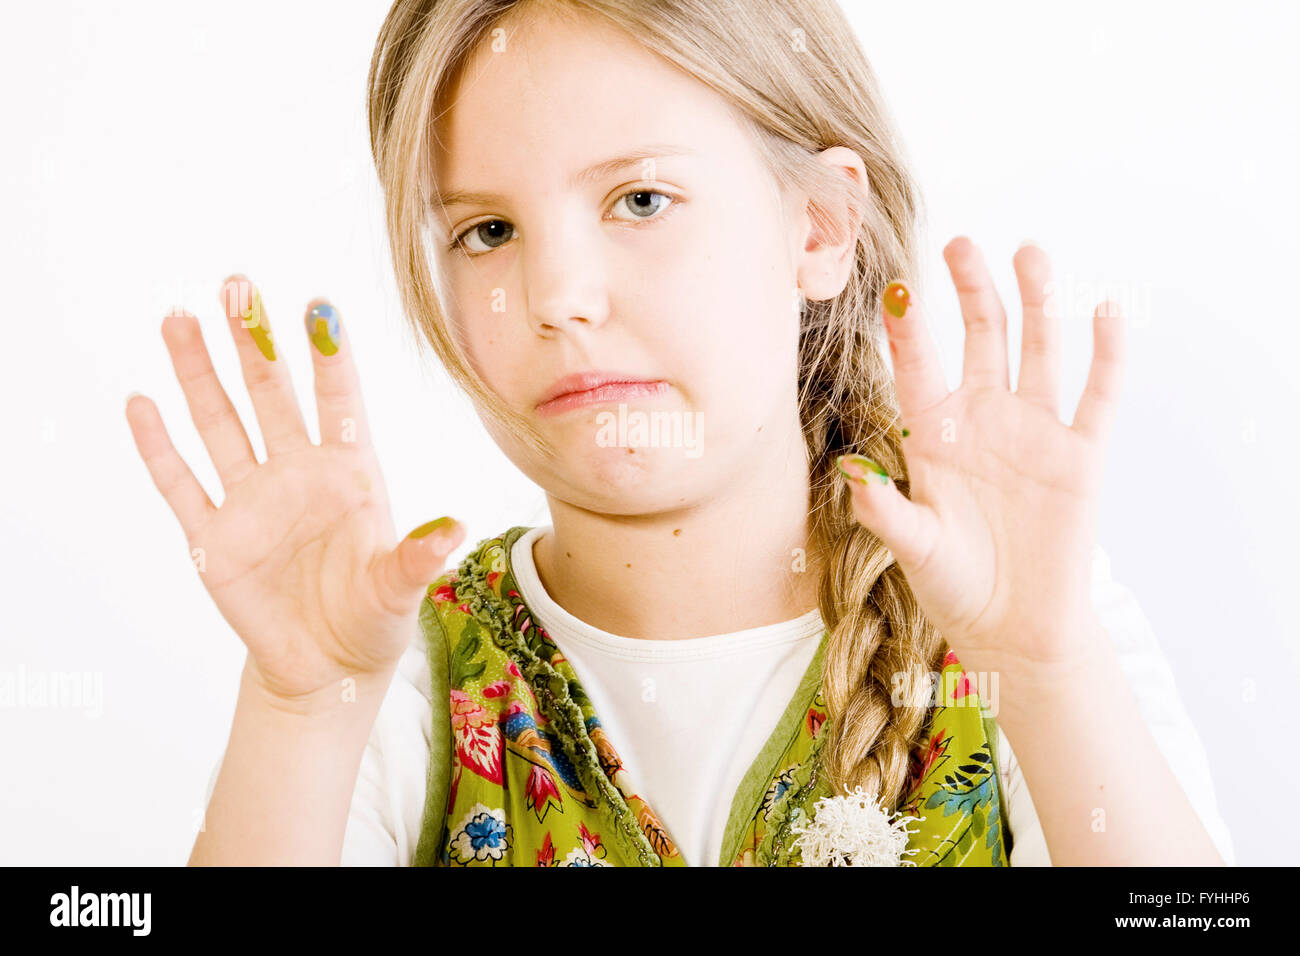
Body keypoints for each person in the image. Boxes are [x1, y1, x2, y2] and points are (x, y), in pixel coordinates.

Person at [127, 0, 1235, 866]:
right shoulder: (392, 677)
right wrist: (299, 712)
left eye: (640, 201)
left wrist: (1047, 670)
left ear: (819, 224)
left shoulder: (1029, 627)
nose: (556, 292)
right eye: (488, 229)